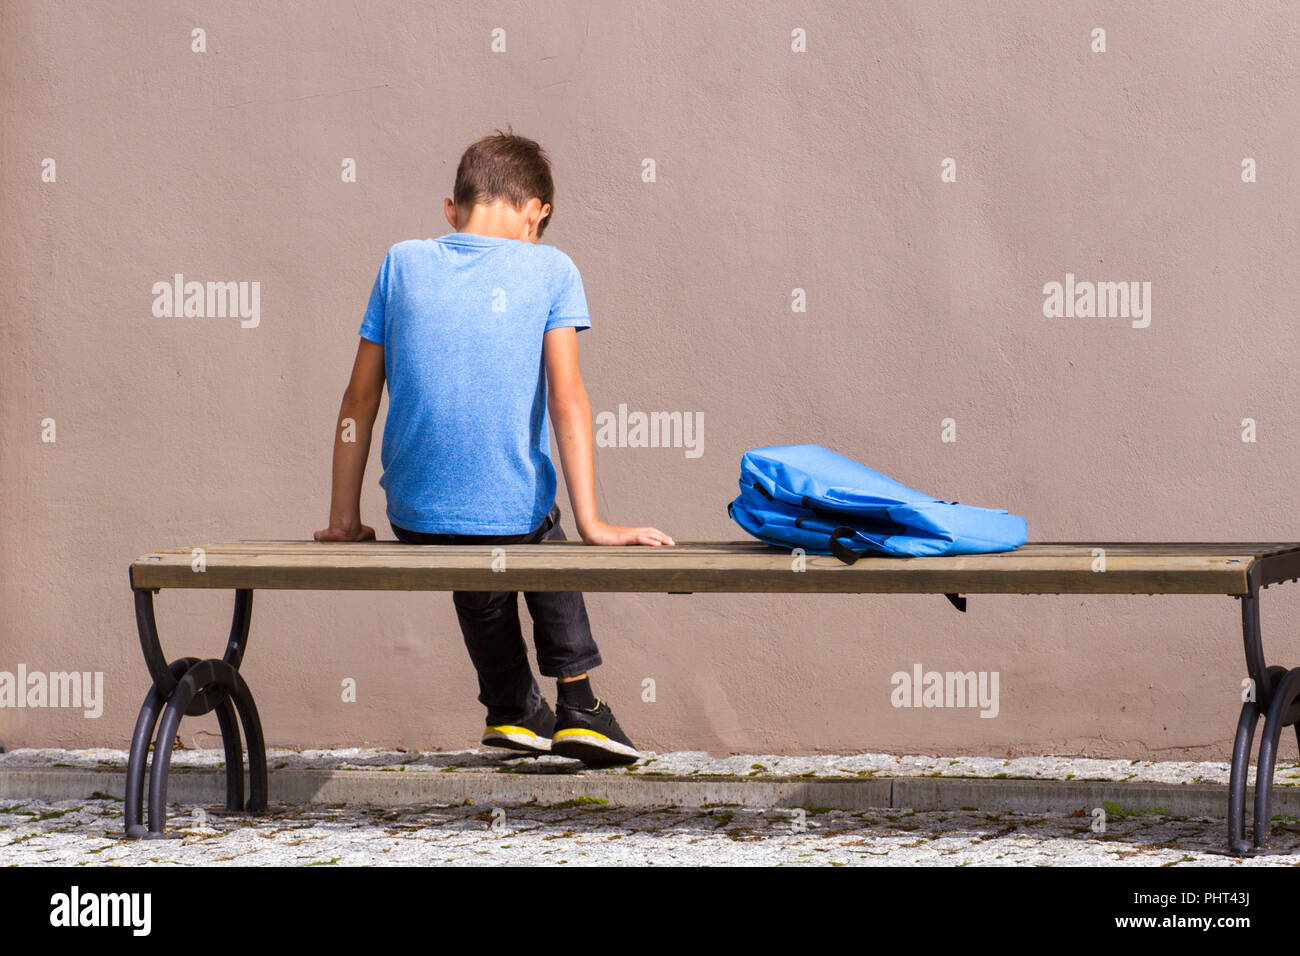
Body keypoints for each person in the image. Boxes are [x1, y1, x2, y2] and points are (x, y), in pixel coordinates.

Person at [315, 130, 673, 765]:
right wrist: (595, 524)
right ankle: (579, 702)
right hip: (509, 513)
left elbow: (357, 401)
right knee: (535, 529)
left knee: (472, 535)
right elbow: (568, 398)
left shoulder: (400, 261)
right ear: (538, 212)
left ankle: (511, 707)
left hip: (416, 517)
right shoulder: (551, 267)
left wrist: (344, 521)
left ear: (451, 209)